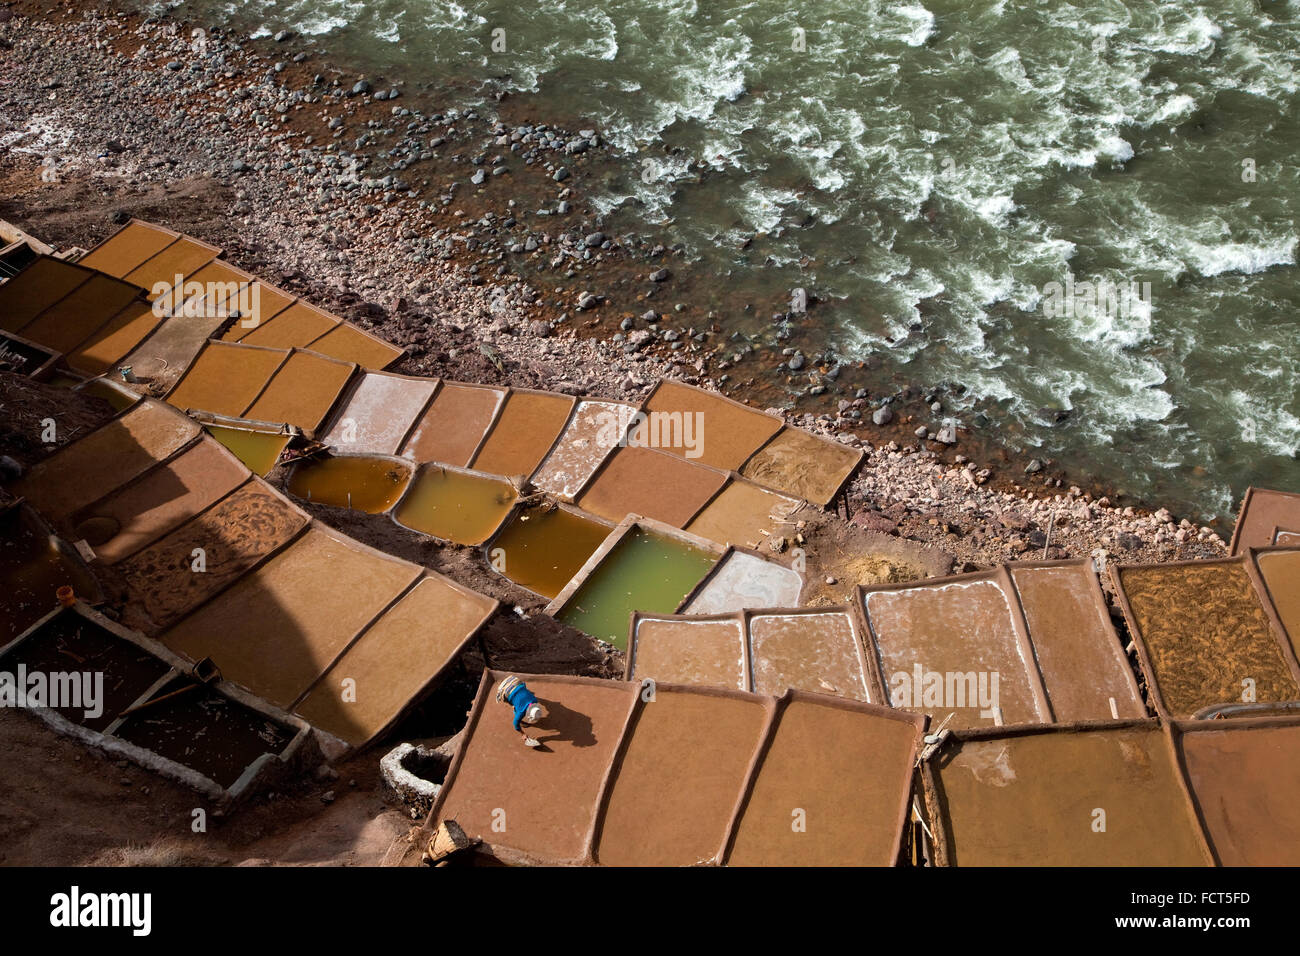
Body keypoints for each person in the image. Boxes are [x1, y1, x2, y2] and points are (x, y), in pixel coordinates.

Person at [495, 676, 546, 746]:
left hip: (515, 682)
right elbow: (515, 724)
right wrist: (523, 734)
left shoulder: (534, 700)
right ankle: (514, 707)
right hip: (504, 690)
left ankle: (516, 701)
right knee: (511, 704)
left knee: (524, 688)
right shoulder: (521, 712)